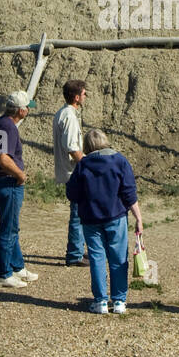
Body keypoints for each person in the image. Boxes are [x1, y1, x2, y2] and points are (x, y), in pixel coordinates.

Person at [65, 129, 144, 314]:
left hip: (91, 219)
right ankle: (119, 301)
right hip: (116, 217)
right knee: (118, 259)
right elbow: (129, 193)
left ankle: (100, 301)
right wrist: (138, 218)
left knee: (97, 258)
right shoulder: (119, 161)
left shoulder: (83, 165)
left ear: (87, 146)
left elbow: (72, 193)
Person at [0, 91, 38, 288]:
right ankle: (3, 273)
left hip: (1, 181)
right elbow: (3, 158)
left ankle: (17, 267)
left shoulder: (0, 123)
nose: (28, 111)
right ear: (20, 110)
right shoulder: (8, 127)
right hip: (8, 182)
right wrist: (20, 175)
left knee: (11, 226)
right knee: (8, 229)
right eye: (27, 108)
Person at [53, 79, 90, 266]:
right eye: (84, 93)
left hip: (71, 171)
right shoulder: (69, 116)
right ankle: (74, 254)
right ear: (76, 97)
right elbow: (71, 147)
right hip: (73, 172)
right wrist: (88, 165)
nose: (85, 96)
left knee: (80, 212)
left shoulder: (65, 113)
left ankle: (77, 249)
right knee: (78, 213)